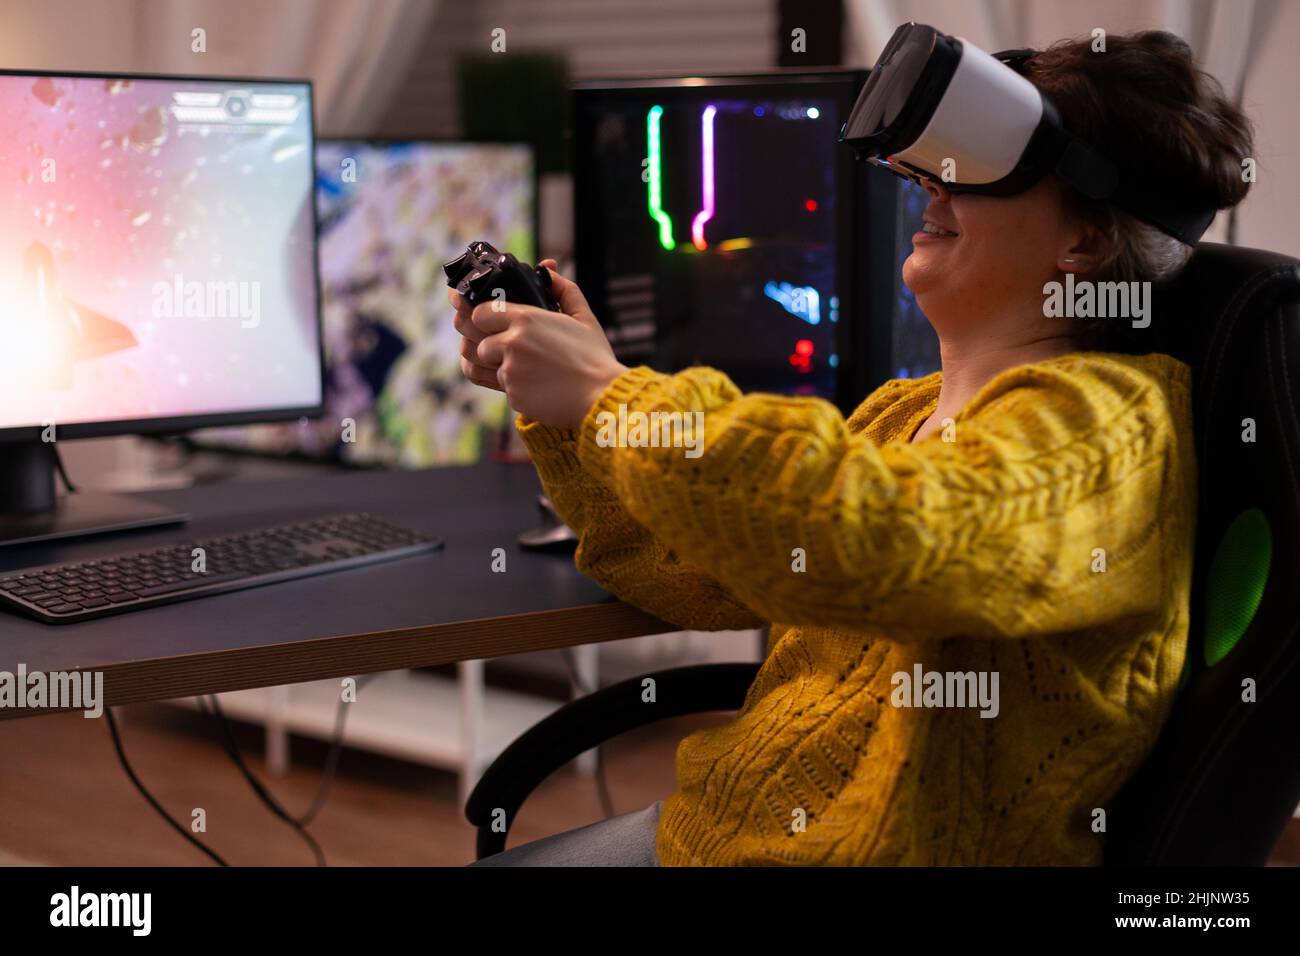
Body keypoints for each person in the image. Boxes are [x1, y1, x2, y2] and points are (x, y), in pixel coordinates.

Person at [455, 30, 1253, 866]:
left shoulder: (1112, 428)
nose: (928, 193)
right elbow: (685, 571)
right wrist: (562, 407)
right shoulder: (899, 412)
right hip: (719, 833)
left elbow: (878, 536)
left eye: (969, 177)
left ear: (1083, 244)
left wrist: (608, 396)